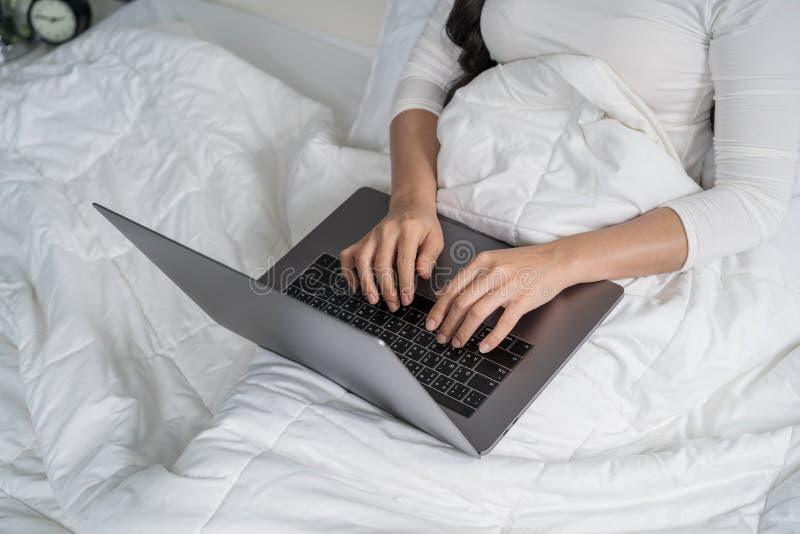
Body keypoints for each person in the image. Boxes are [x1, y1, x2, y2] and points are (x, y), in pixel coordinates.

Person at [340, 0, 800, 355]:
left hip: (605, 260)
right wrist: (410, 204)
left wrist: (553, 265)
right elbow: (426, 80)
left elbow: (752, 199)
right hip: (446, 217)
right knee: (340, 338)